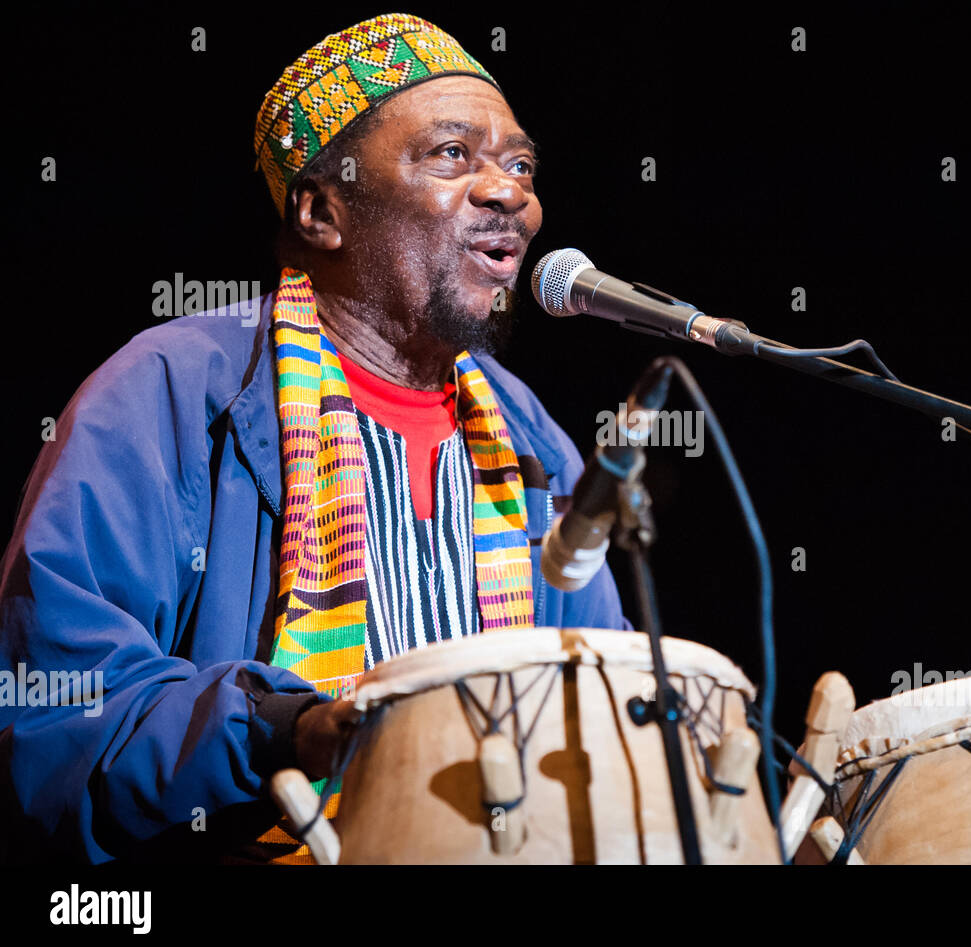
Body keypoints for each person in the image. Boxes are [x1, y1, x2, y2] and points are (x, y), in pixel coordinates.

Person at [0, 13, 626, 863]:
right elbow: (59, 716)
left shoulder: (533, 442)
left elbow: (603, 712)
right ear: (322, 211)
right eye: (451, 154)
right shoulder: (170, 394)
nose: (509, 191)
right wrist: (284, 731)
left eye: (519, 165)